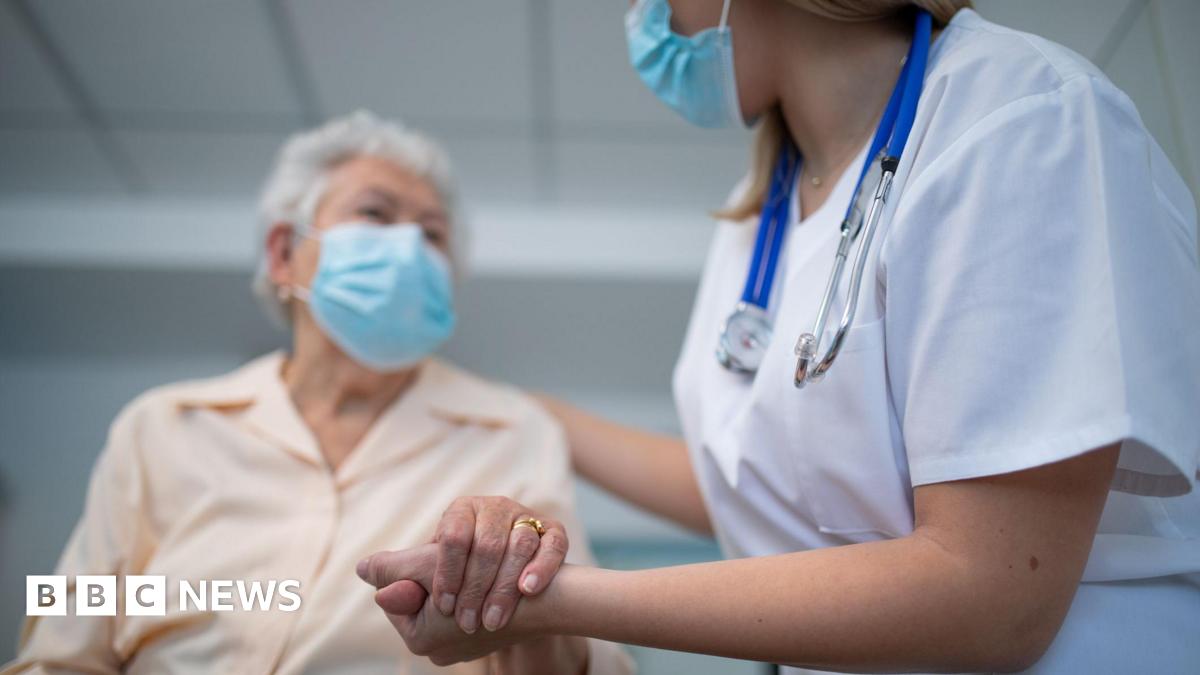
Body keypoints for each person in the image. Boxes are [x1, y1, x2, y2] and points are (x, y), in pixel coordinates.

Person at [357, 1, 1200, 673]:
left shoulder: (1014, 116)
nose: (643, 19)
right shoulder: (753, 224)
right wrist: (523, 407)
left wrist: (555, 599)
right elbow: (746, 484)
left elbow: (995, 592)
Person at [4, 111, 630, 675]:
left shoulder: (512, 433)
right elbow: (63, 646)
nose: (407, 247)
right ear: (284, 252)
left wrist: (526, 594)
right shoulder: (161, 426)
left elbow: (594, 665)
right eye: (375, 215)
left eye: (433, 234)